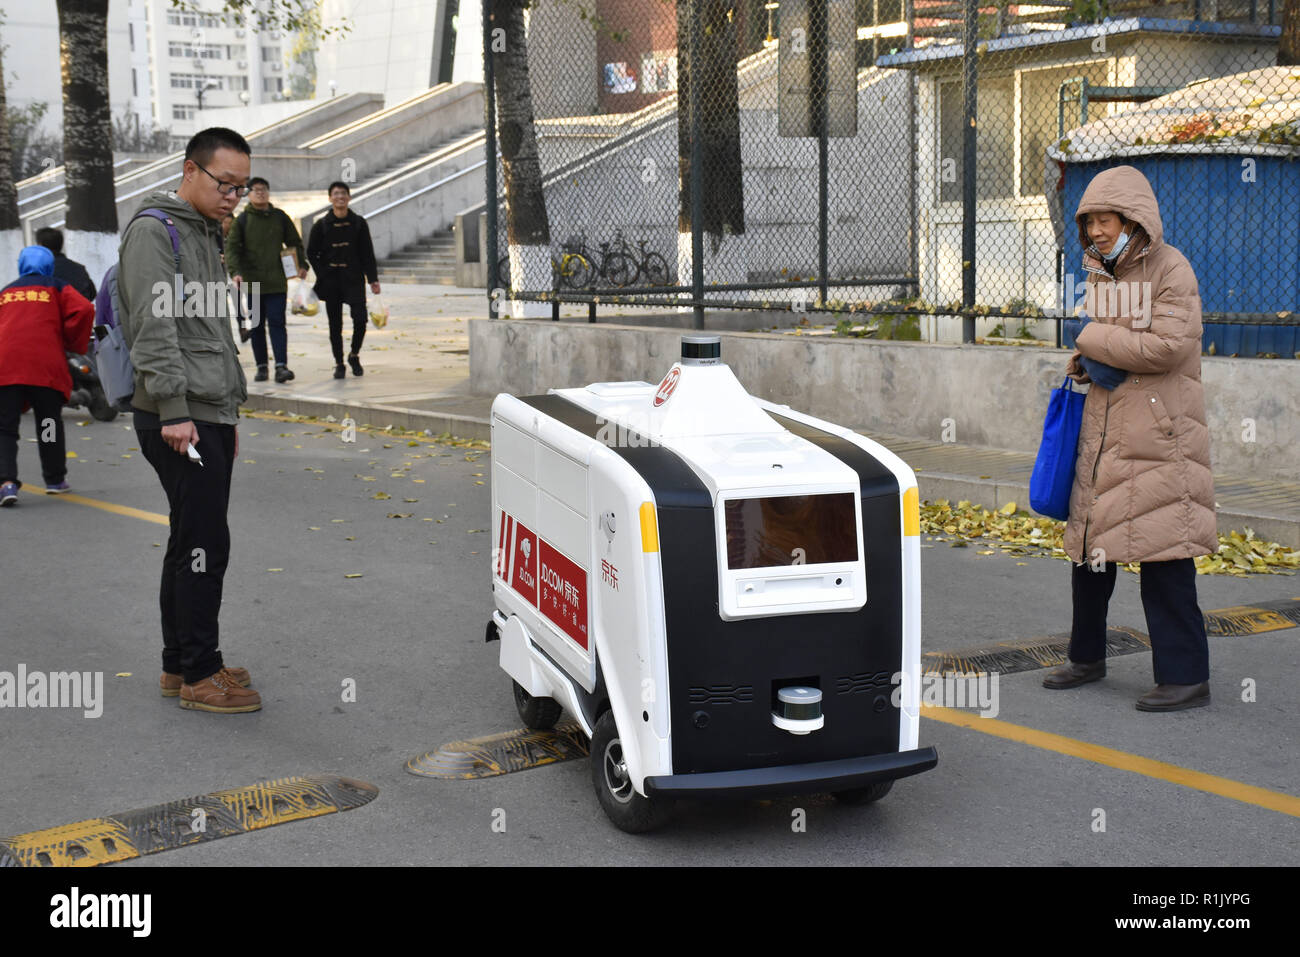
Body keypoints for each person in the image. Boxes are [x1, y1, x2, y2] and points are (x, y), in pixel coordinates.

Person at [1042, 165, 1216, 712]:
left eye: (1105, 219)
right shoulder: (1102, 273)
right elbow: (1104, 349)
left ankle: (1186, 677)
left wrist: (1090, 337)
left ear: (1132, 218)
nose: (1095, 230)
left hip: (1160, 434)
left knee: (1164, 553)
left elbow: (1168, 344)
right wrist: (1086, 361)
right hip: (1105, 428)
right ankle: (1086, 657)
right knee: (1091, 552)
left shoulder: (1171, 268)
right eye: (1088, 221)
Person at [117, 126, 260, 714]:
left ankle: (181, 664)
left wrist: (227, 408)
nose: (234, 196)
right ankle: (201, 675)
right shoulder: (156, 232)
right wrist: (177, 411)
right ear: (190, 170)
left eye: (241, 186)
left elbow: (208, 332)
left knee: (189, 538)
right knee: (205, 541)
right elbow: (154, 330)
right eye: (225, 183)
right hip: (179, 416)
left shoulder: (204, 233)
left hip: (206, 412)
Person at [0, 246, 95, 506]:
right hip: (45, 367)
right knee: (48, 424)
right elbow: (85, 309)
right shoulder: (57, 287)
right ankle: (54, 480)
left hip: (6, 368)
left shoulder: (7, 292)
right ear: (49, 265)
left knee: (5, 428)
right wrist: (72, 340)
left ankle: (6, 483)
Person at [224, 176, 308, 383]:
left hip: (277, 281)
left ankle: (281, 366)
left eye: (264, 189)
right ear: (248, 194)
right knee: (257, 325)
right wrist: (235, 271)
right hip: (253, 282)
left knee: (278, 323)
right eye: (256, 189)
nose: (260, 192)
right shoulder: (243, 220)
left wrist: (302, 264)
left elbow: (294, 242)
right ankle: (262, 367)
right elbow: (233, 248)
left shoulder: (280, 217)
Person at [306, 181, 379, 379]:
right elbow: (311, 253)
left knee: (361, 319)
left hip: (354, 279)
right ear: (330, 198)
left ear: (349, 197)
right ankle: (339, 362)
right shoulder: (321, 225)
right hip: (331, 281)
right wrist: (322, 273)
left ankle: (354, 354)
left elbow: (367, 253)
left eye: (343, 193)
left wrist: (373, 279)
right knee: (335, 325)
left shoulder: (358, 223)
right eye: (336, 194)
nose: (340, 197)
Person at [35, 226, 97, 307]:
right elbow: (92, 293)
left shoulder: (40, 273)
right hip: (80, 317)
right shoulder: (79, 268)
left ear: (41, 246)